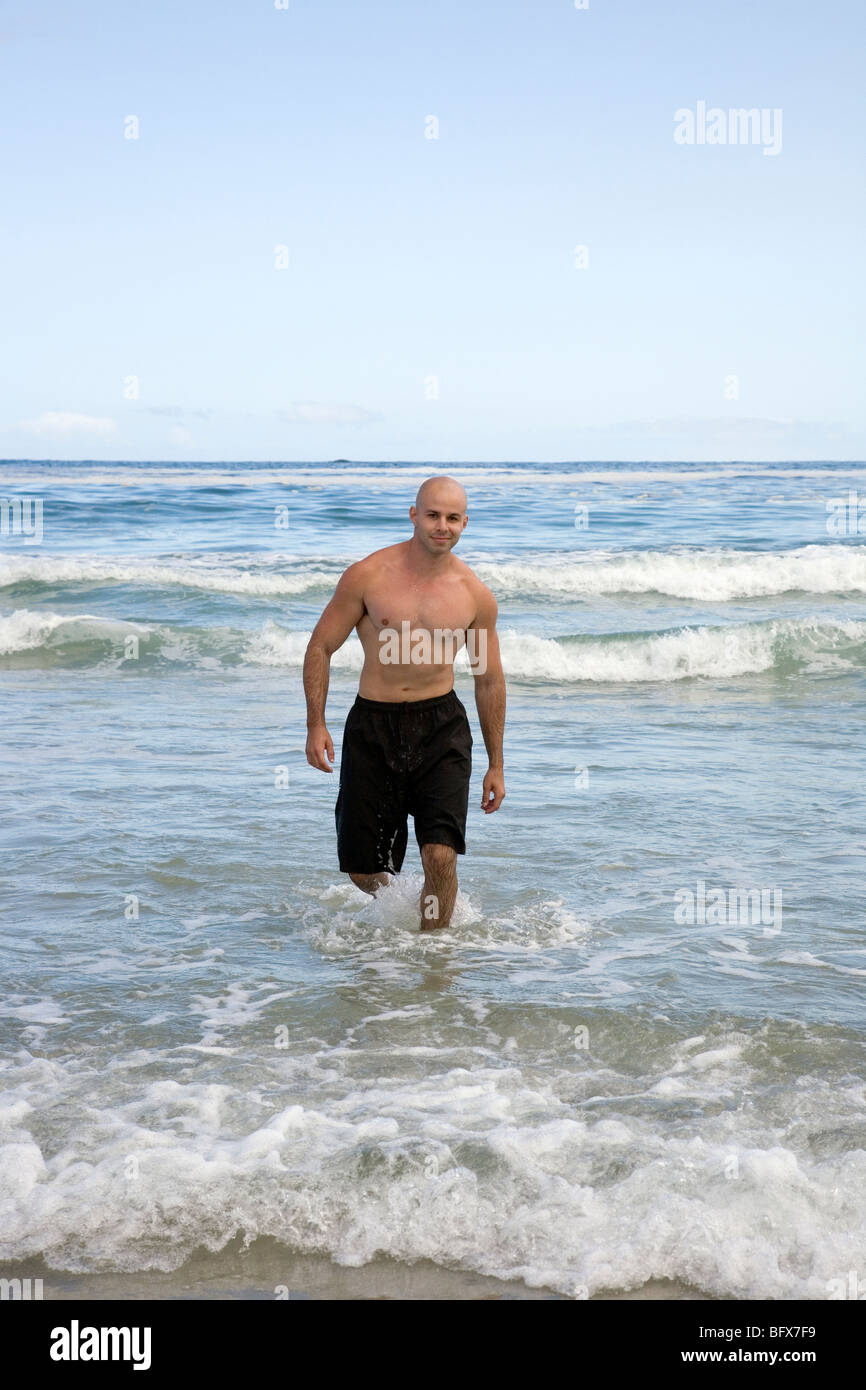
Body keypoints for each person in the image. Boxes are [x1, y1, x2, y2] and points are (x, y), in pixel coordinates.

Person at [303, 475, 506, 929]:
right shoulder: (368, 575)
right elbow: (320, 646)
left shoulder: (474, 594)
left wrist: (497, 763)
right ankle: (405, 904)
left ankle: (435, 959)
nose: (442, 526)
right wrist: (315, 724)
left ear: (465, 523)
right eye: (433, 515)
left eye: (453, 518)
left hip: (442, 726)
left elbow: (488, 679)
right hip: (373, 724)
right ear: (414, 515)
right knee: (362, 868)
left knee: (440, 853)